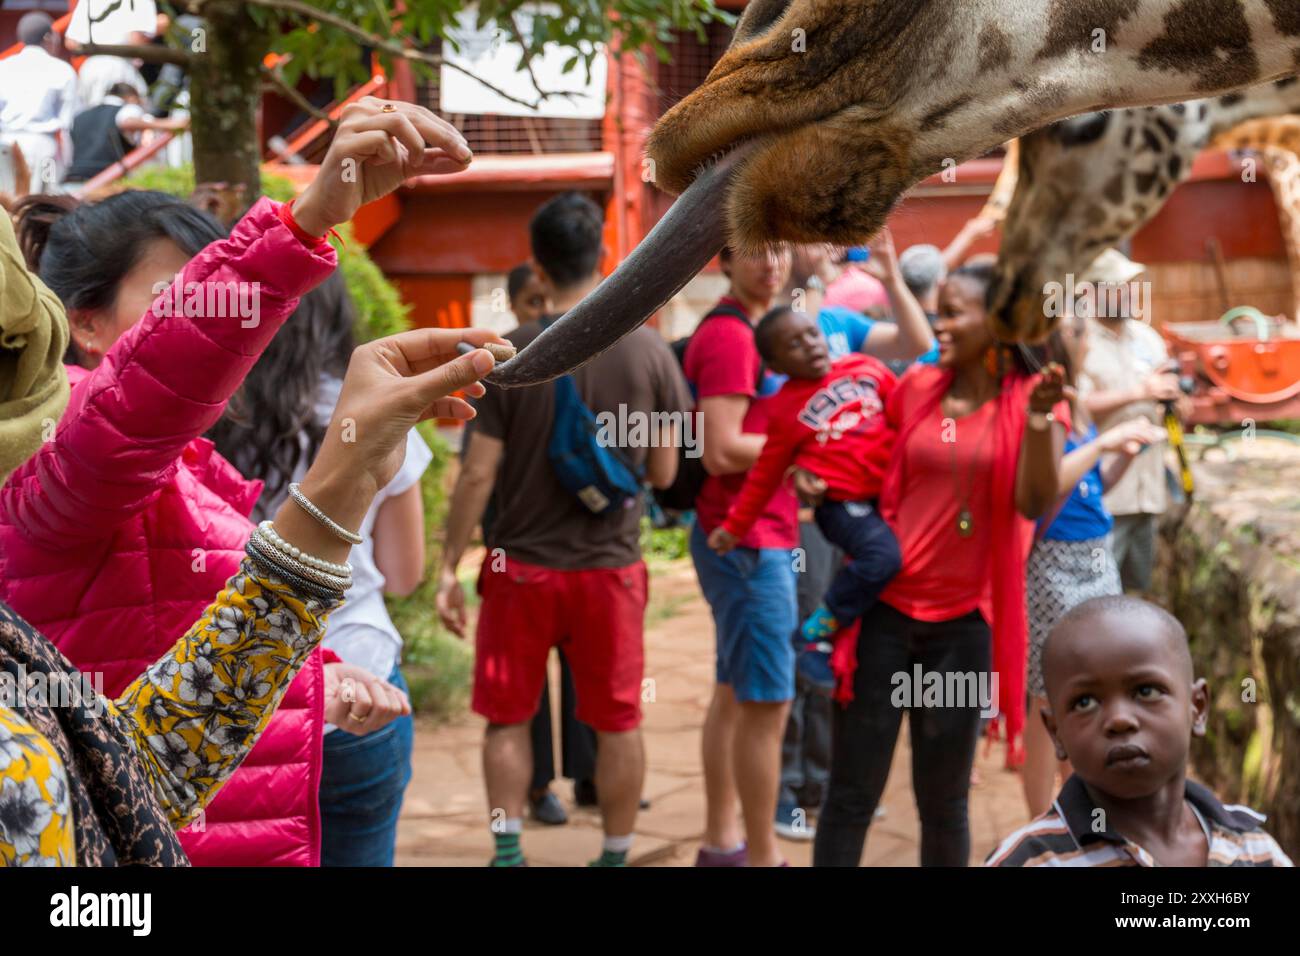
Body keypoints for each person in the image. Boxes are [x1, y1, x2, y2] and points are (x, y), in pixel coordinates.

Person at [2, 97, 473, 866]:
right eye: (181, 296)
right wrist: (302, 224)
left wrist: (319, 676)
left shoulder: (178, 463)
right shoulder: (64, 457)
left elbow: (189, 633)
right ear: (81, 324)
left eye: (209, 289)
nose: (209, 309)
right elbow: (151, 380)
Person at [436, 191, 692, 868]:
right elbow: (664, 475)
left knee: (507, 718)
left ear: (538, 270)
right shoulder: (649, 352)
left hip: (517, 573)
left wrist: (447, 566)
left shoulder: (510, 357)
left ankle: (508, 852)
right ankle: (614, 852)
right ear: (605, 256)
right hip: (610, 572)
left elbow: (476, 476)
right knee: (617, 721)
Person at [810, 261, 1068, 867]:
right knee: (850, 792)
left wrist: (1036, 424)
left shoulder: (1035, 400)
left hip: (964, 628)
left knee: (945, 800)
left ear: (998, 324)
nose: (938, 324)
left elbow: (1034, 502)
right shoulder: (917, 389)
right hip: (884, 616)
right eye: (939, 309)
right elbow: (866, 455)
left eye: (953, 312)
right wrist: (819, 476)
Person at [208, 271, 422, 867]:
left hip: (233, 696)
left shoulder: (206, 416)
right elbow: (405, 575)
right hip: (362, 688)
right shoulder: (384, 417)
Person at [987, 596, 1293, 867]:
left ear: (1197, 708)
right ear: (1056, 733)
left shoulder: (1254, 849)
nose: (1119, 720)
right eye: (1085, 702)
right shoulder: (1027, 860)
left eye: (1146, 691)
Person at [1021, 309, 1166, 817]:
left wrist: (1122, 450)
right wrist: (1105, 441)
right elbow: (1048, 486)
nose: (1087, 341)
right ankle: (1045, 818)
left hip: (1095, 553)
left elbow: (1090, 485)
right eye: (1080, 333)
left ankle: (1081, 805)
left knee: (1092, 678)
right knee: (1047, 693)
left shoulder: (1076, 403)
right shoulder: (1048, 406)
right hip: (1054, 560)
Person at [708, 307, 900, 687]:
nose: (810, 346)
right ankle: (815, 634)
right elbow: (764, 475)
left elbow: (905, 415)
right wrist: (733, 528)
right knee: (883, 558)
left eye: (811, 334)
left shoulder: (866, 368)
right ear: (776, 364)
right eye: (793, 345)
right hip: (842, 505)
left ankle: (850, 649)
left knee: (891, 567)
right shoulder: (783, 409)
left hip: (888, 496)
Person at [684, 244, 798, 867]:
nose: (771, 261)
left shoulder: (759, 328)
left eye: (780, 247)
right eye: (755, 249)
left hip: (749, 534)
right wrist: (805, 443)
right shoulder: (732, 337)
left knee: (735, 690)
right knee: (766, 702)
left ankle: (720, 843)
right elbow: (723, 449)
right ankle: (764, 857)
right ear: (725, 259)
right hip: (746, 540)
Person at [1078, 250, 1181, 592]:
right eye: (1116, 286)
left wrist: (1175, 398)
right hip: (1105, 495)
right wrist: (1139, 391)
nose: (1127, 293)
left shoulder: (1147, 337)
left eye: (1130, 286)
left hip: (1147, 490)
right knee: (1099, 595)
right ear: (1089, 292)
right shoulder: (1079, 341)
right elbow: (1076, 407)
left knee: (1139, 593)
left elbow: (1169, 398)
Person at [0, 13, 78, 192]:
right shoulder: (62, 70)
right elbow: (67, 123)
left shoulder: (3, 67)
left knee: (7, 197)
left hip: (6, 143)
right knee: (45, 198)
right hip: (45, 148)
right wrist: (67, 161)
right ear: (47, 37)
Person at [65, 83, 189, 183]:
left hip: (74, 175)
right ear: (132, 98)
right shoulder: (128, 108)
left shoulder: (81, 115)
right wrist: (171, 124)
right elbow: (127, 121)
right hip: (108, 178)